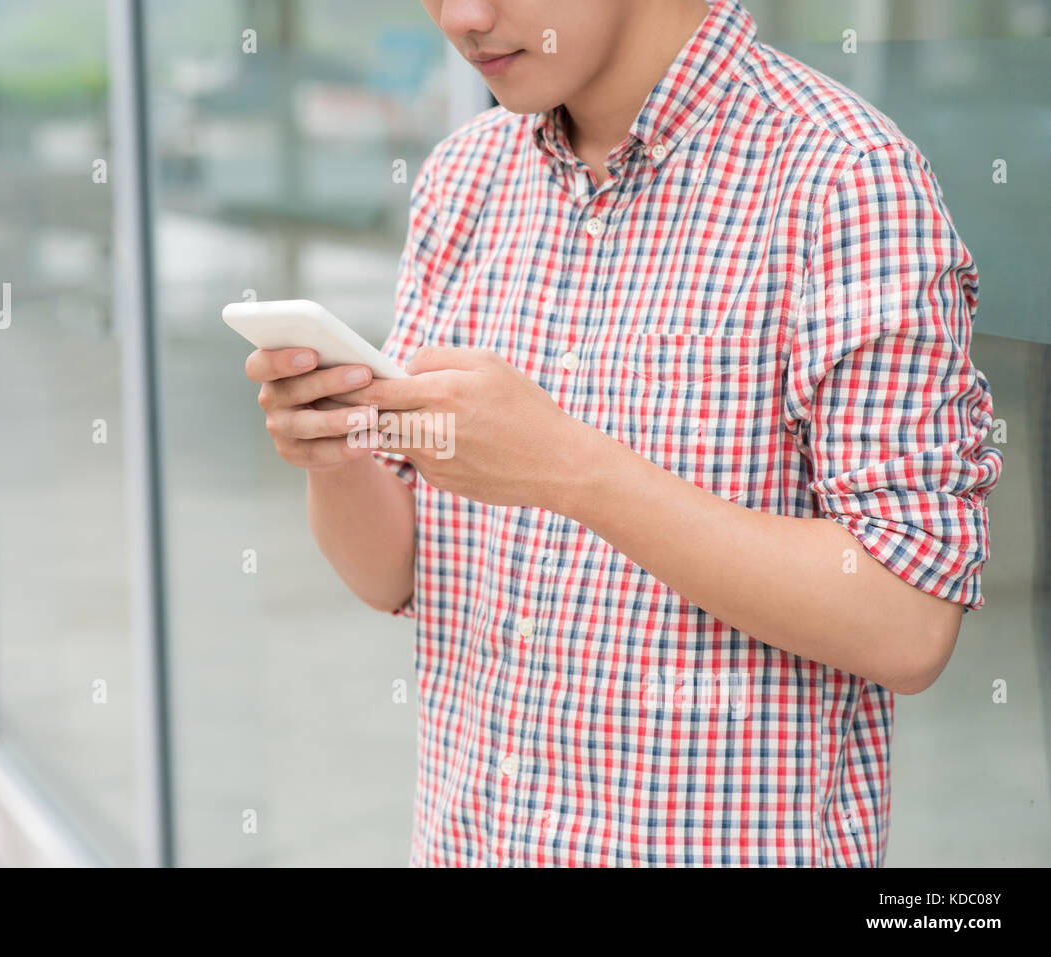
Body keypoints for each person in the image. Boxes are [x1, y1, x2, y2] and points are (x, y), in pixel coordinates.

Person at [244, 0, 1003, 867]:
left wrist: (570, 469)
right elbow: (399, 575)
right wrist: (336, 453)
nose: (463, 17)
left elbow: (906, 627)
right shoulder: (465, 177)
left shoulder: (844, 178)